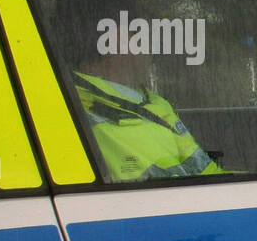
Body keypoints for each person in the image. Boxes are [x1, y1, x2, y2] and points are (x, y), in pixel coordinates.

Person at [74, 46, 224, 182]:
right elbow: (158, 191)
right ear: (108, 52)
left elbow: (203, 169)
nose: (148, 50)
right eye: (136, 41)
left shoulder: (155, 102)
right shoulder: (79, 106)